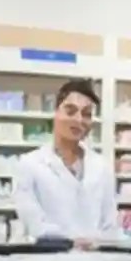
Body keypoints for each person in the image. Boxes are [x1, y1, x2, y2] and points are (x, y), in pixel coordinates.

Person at [13, 78, 118, 248]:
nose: (78, 120)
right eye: (70, 111)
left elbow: (110, 225)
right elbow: (34, 225)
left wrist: (95, 242)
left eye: (86, 114)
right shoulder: (29, 164)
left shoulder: (101, 166)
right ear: (55, 113)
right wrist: (73, 241)